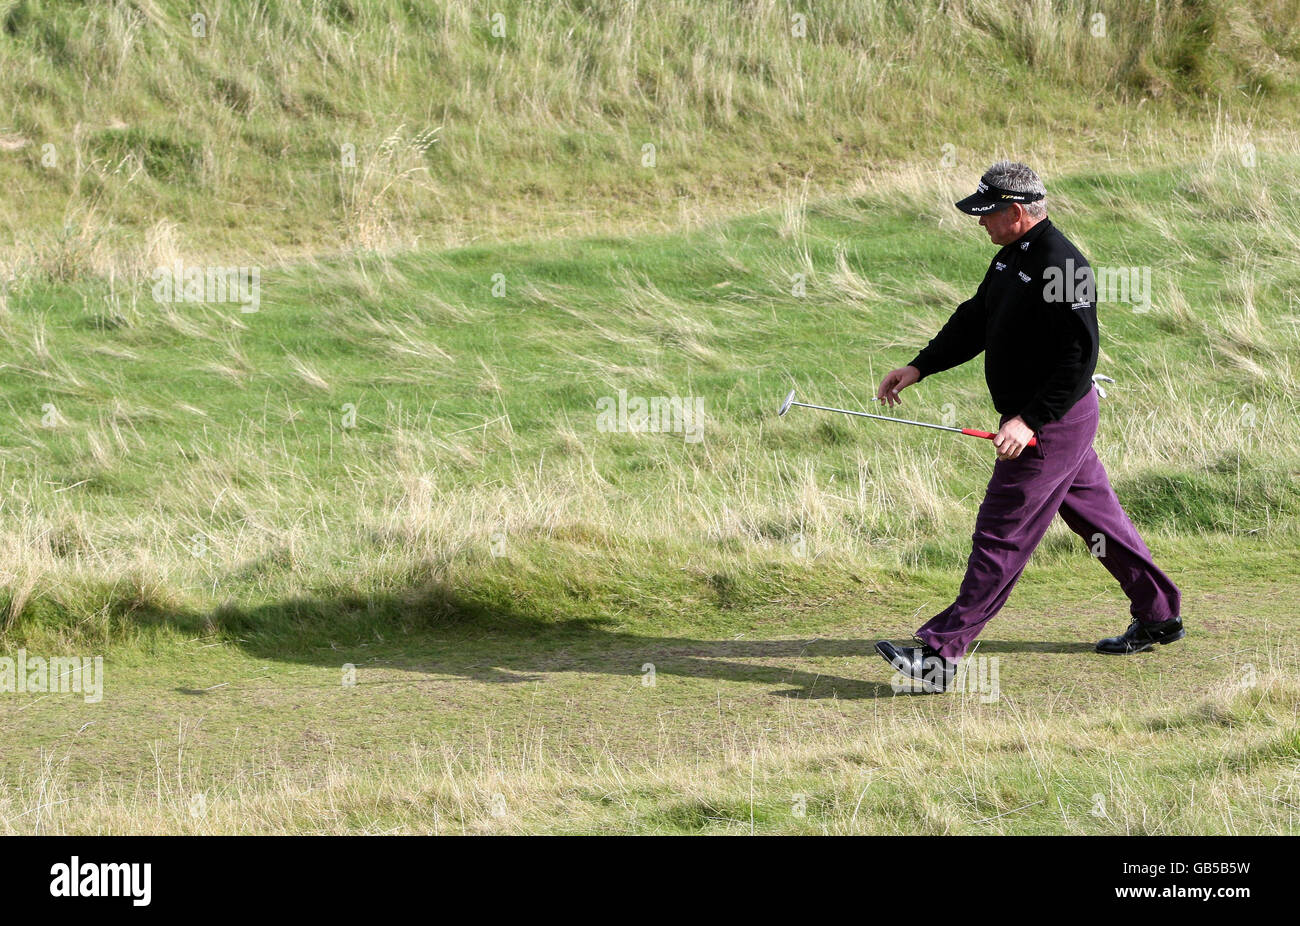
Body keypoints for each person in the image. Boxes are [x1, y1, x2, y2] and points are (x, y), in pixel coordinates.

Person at [873, 161, 1183, 692]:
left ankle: (940, 656)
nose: (979, 222)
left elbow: (1078, 359)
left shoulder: (1063, 266)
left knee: (1001, 534)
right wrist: (920, 366)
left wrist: (1028, 420)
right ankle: (1159, 614)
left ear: (1017, 213)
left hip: (1051, 424)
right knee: (1098, 523)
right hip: (1051, 423)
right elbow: (976, 318)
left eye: (986, 213)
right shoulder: (1012, 255)